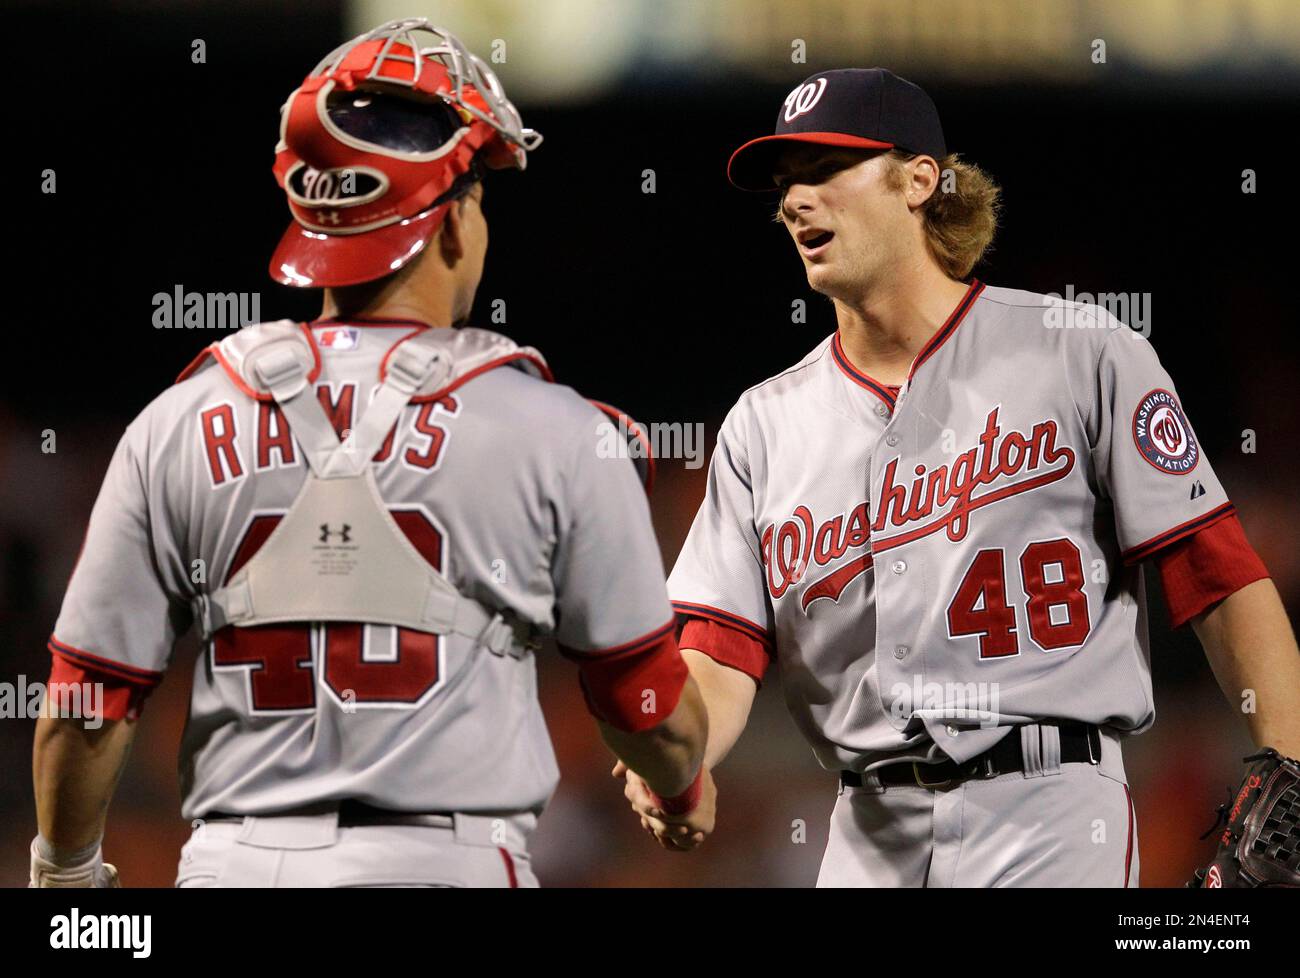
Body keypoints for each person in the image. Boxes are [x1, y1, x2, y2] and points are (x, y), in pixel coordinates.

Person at [31, 19, 707, 889]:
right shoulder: (555, 429)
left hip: (234, 866)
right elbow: (646, 707)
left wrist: (67, 878)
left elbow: (85, 703)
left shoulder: (178, 419)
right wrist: (684, 790)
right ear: (455, 225)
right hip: (445, 863)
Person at [619, 68, 1300, 886]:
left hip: (1052, 804)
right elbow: (721, 653)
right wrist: (670, 754)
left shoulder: (1078, 351)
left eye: (827, 170)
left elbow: (1215, 574)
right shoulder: (764, 425)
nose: (796, 199)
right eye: (785, 180)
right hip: (866, 829)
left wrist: (1290, 768)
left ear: (920, 180)